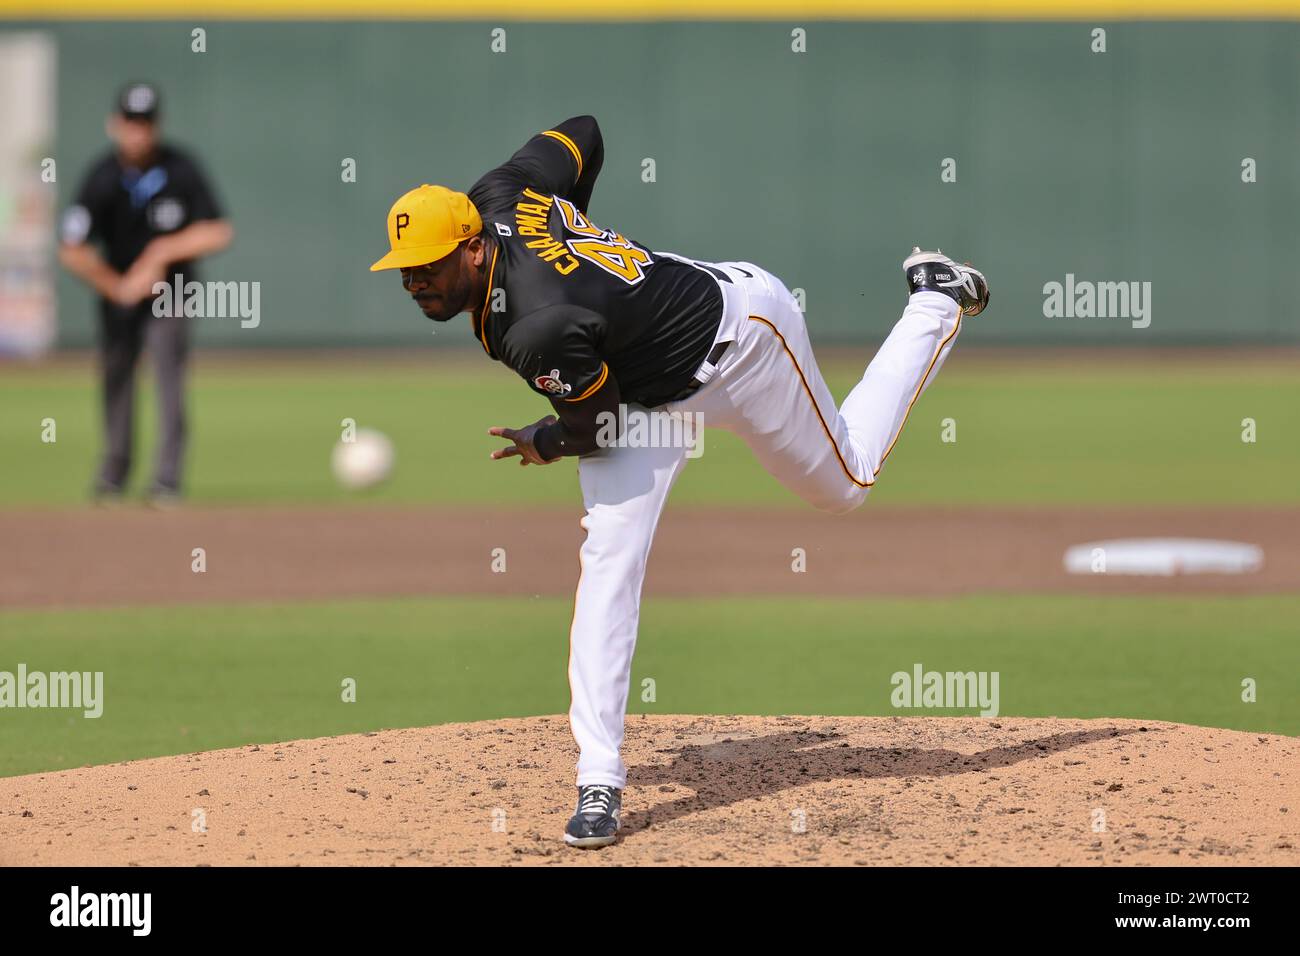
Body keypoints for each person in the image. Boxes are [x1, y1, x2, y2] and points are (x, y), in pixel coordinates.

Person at [370, 115, 988, 848]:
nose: (414, 282)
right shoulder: (504, 192)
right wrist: (583, 249)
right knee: (609, 559)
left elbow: (593, 429)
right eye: (404, 268)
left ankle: (936, 300)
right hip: (638, 392)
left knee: (845, 482)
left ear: (474, 247)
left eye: (430, 266)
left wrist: (541, 438)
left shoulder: (534, 323)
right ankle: (598, 780)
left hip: (743, 345)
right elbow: (583, 132)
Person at [59, 82, 232, 505]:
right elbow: (71, 249)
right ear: (115, 125)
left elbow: (218, 230)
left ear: (158, 124)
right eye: (132, 123)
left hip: (172, 289)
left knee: (167, 372)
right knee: (116, 375)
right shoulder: (101, 177)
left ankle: (166, 479)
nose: (139, 132)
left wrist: (161, 251)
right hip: (117, 291)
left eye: (147, 123)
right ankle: (114, 474)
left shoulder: (180, 169)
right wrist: (116, 286)